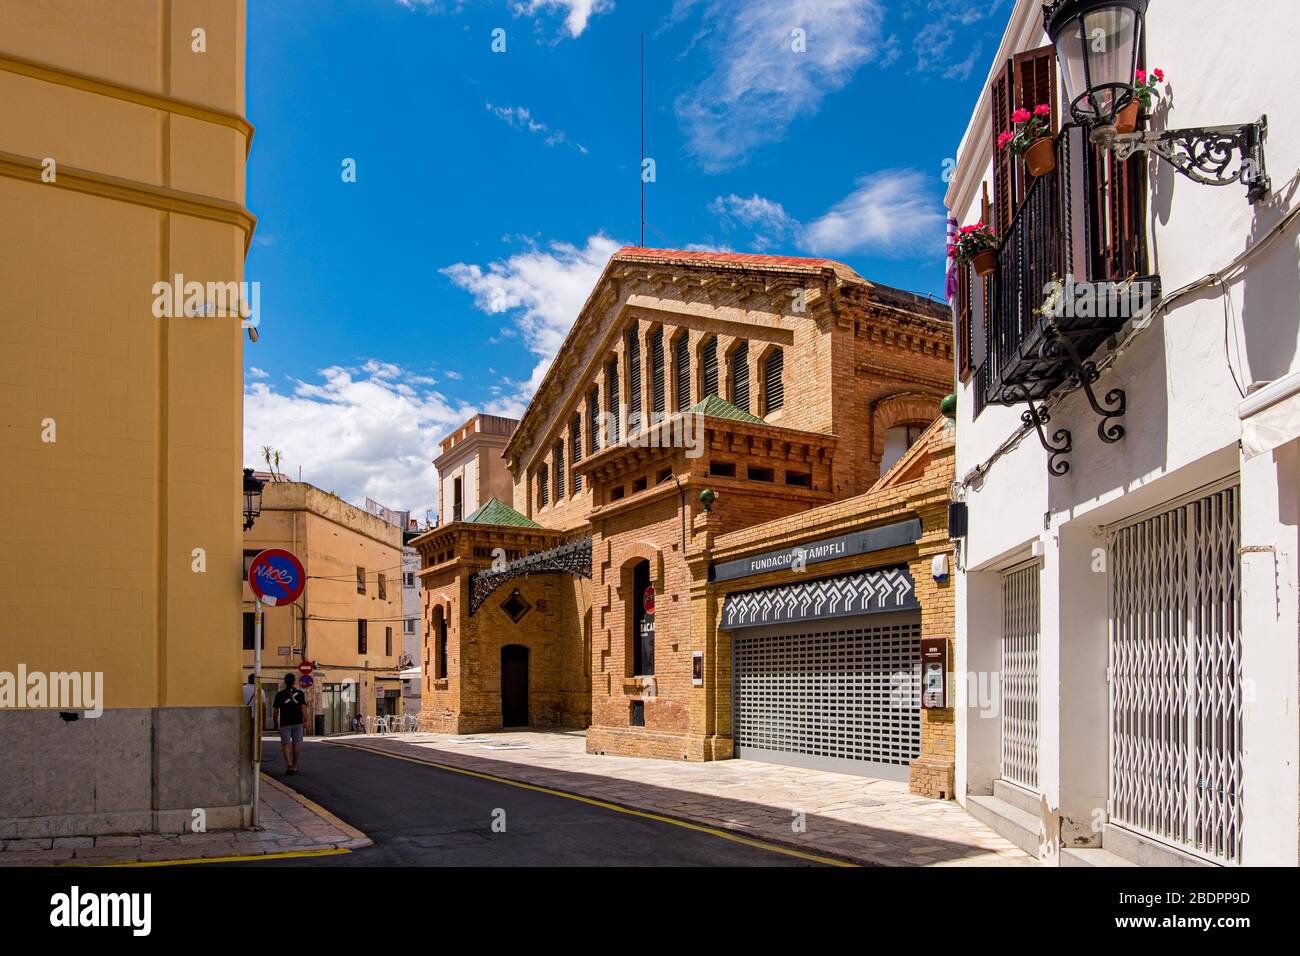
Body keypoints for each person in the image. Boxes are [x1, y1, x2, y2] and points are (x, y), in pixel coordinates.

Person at [271, 673, 308, 774]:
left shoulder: (279, 694)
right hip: (298, 722)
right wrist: (306, 721)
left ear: (284, 682)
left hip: (285, 722)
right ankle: (295, 766)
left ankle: (289, 764)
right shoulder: (300, 693)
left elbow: (275, 711)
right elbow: (303, 707)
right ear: (294, 682)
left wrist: (275, 722)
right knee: (296, 744)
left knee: (285, 743)